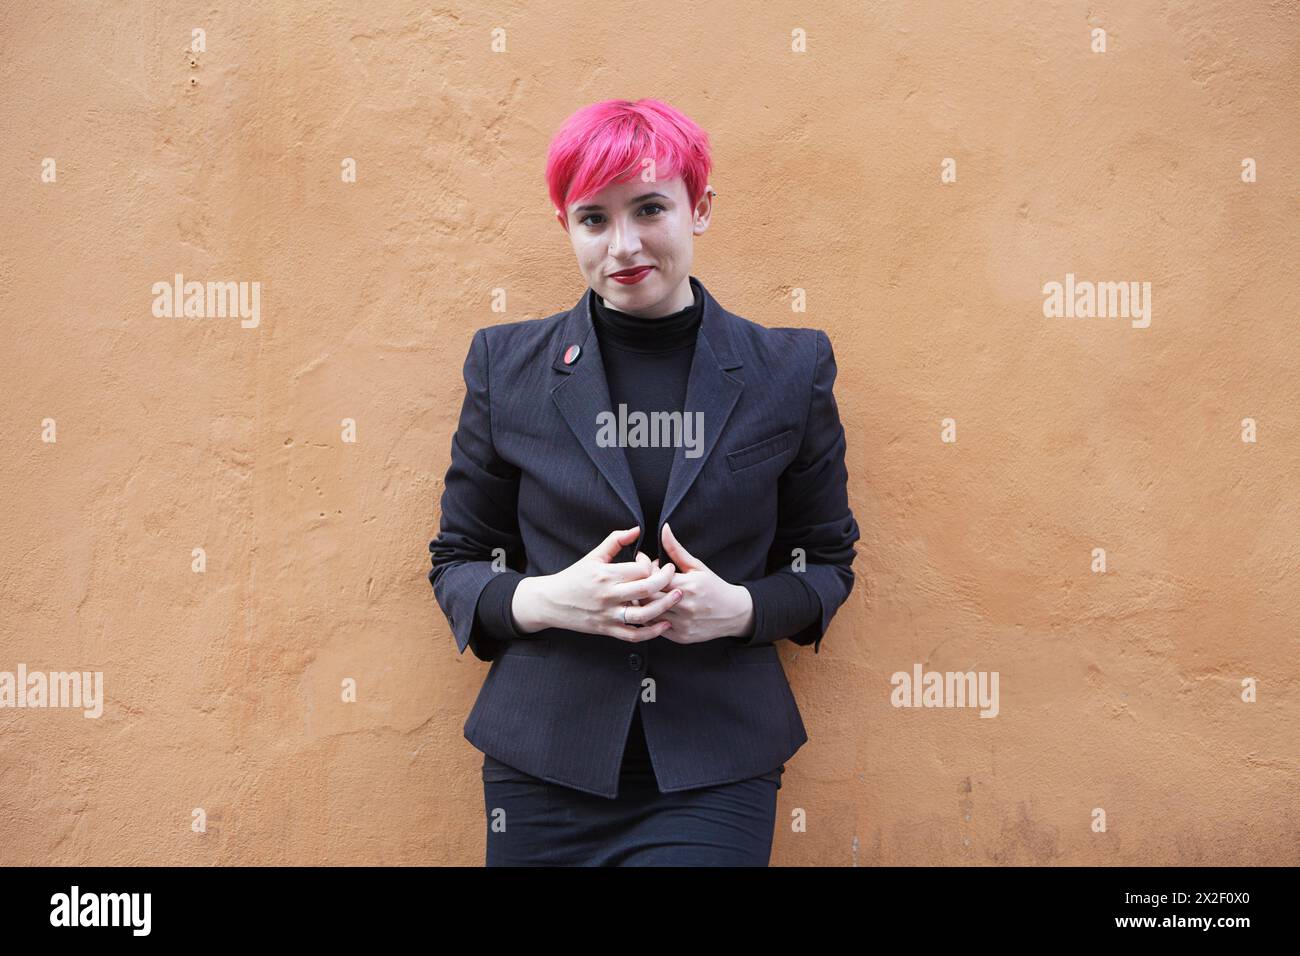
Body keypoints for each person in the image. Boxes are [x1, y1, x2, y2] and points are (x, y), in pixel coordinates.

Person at [428, 98, 860, 866]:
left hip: (715, 762)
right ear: (566, 225)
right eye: (593, 219)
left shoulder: (789, 370)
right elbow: (460, 559)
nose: (622, 245)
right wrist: (543, 599)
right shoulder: (506, 367)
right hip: (544, 761)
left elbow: (825, 562)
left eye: (650, 208)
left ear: (700, 209)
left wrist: (740, 610)